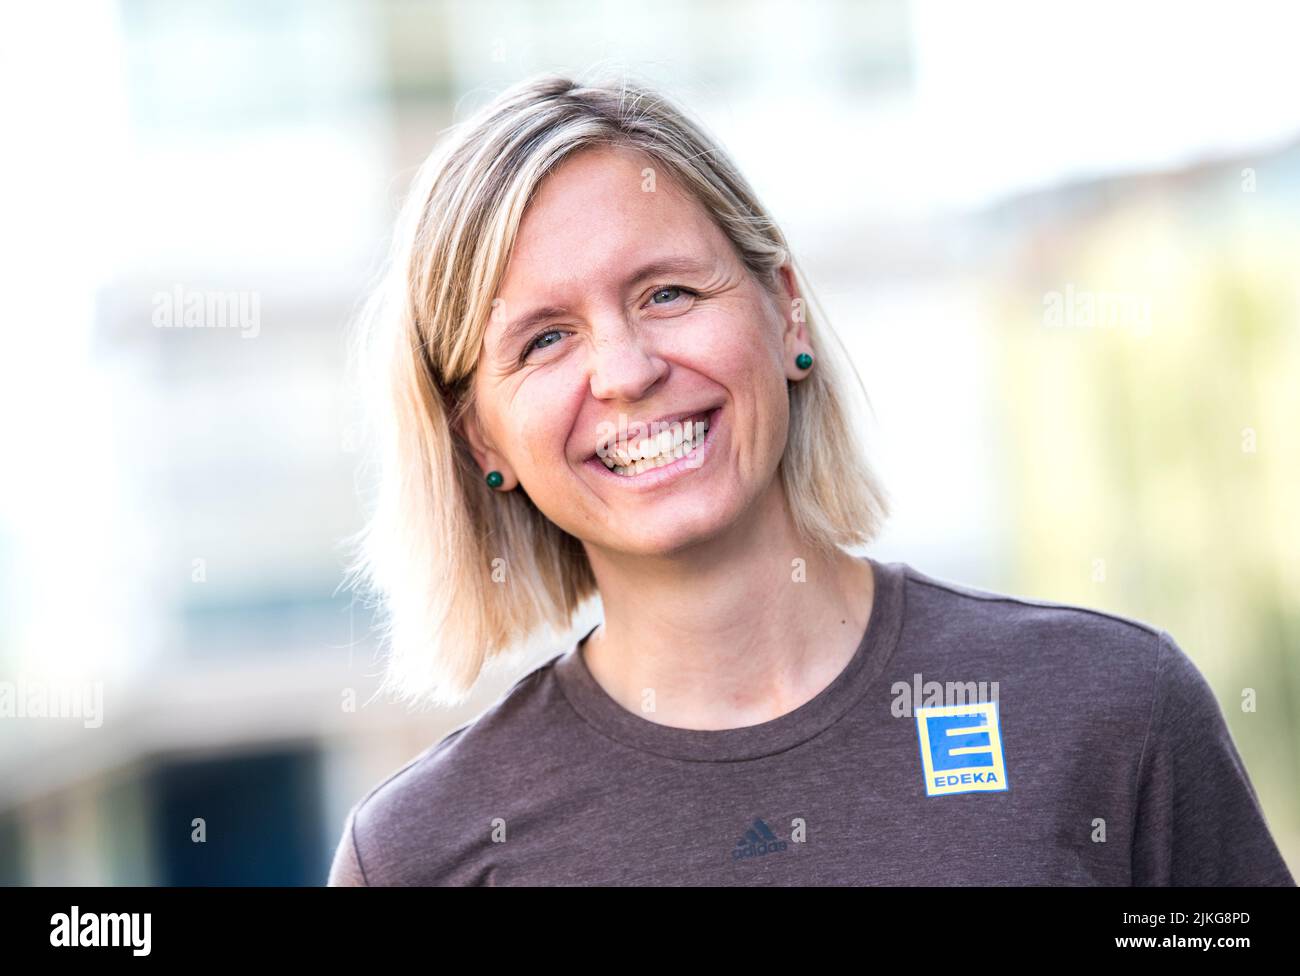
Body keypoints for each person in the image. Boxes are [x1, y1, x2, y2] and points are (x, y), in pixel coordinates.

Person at [327, 72, 1294, 886]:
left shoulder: (1109, 709)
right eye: (544, 340)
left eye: (666, 293)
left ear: (785, 312)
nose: (624, 371)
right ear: (479, 439)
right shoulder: (420, 856)